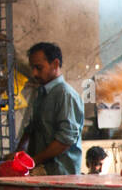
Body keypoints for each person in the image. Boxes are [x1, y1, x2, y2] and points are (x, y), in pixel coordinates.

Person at [21, 42, 83, 175]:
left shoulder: (65, 94)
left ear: (55, 64)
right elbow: (31, 128)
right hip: (42, 170)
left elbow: (64, 140)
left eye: (39, 68)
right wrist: (18, 155)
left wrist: (33, 161)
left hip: (60, 173)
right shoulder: (42, 93)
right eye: (32, 68)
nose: (34, 73)